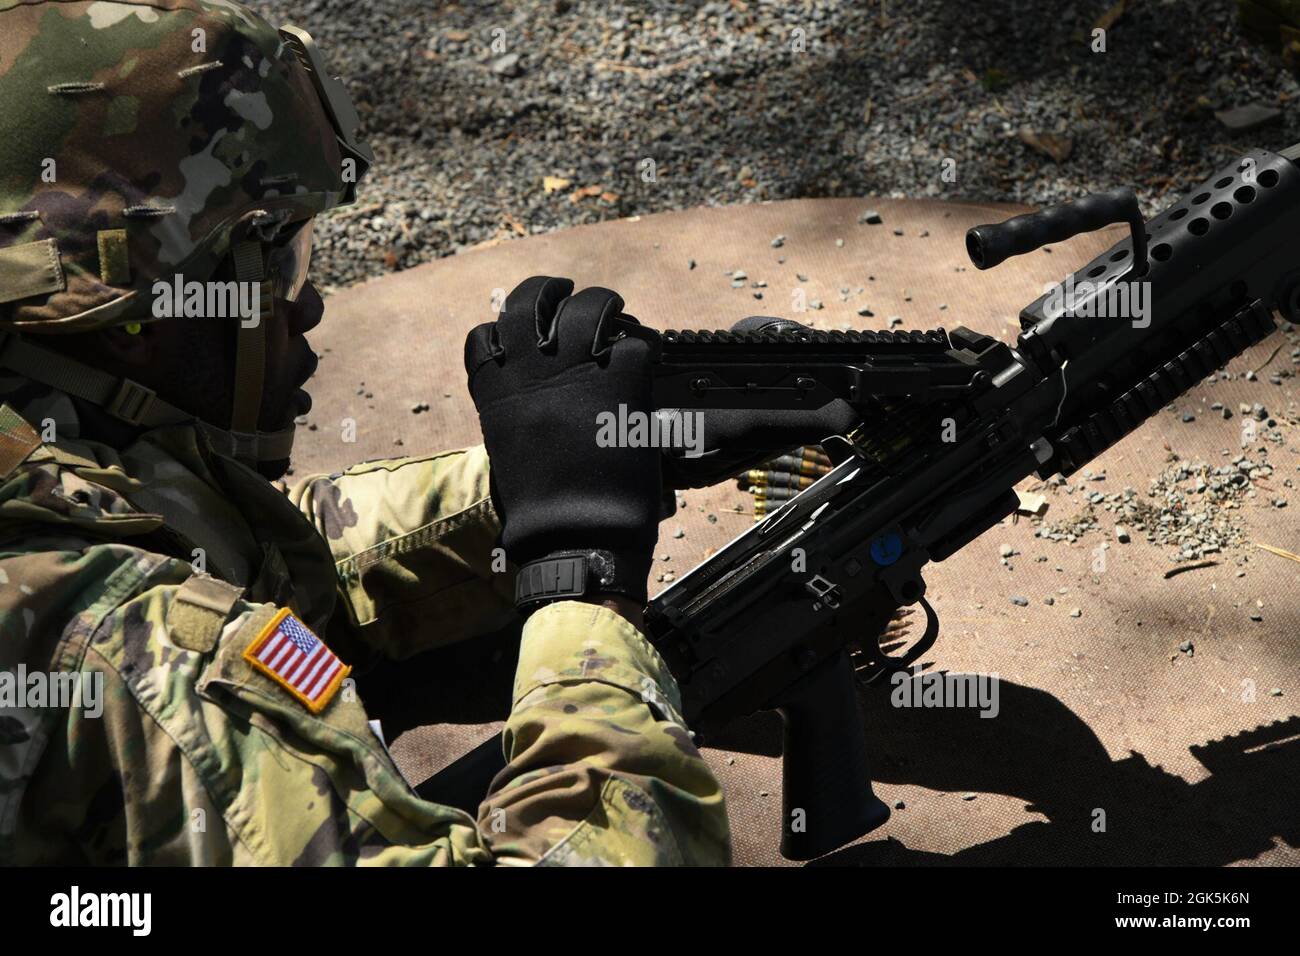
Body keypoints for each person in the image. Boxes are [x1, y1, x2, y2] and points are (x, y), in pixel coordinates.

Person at [0, 0, 855, 866]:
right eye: (273, 260)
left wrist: (547, 474)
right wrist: (582, 589)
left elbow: (210, 541)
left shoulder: (39, 443)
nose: (305, 303)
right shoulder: (121, 651)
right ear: (127, 313)